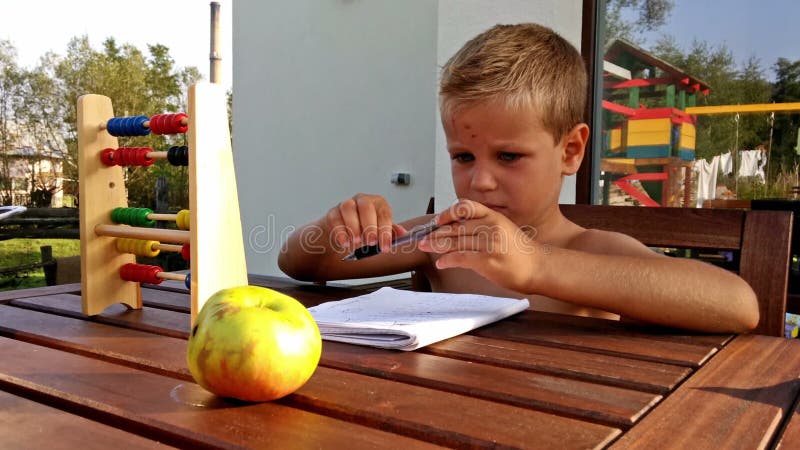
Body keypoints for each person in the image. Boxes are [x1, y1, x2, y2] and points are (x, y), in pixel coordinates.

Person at [279, 23, 759, 333]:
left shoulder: (592, 251)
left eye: (508, 156)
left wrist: (537, 266)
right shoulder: (441, 242)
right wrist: (334, 224)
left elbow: (737, 305)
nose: (480, 181)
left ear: (571, 151)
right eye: (463, 156)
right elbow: (299, 264)